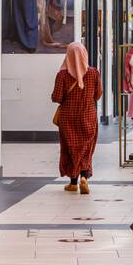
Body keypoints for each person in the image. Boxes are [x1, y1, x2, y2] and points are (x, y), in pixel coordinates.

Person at [51, 42, 102, 193]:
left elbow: (57, 97)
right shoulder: (93, 73)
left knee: (70, 148)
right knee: (86, 147)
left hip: (68, 118)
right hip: (88, 115)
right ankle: (84, 177)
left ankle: (73, 182)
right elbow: (98, 94)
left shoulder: (62, 75)